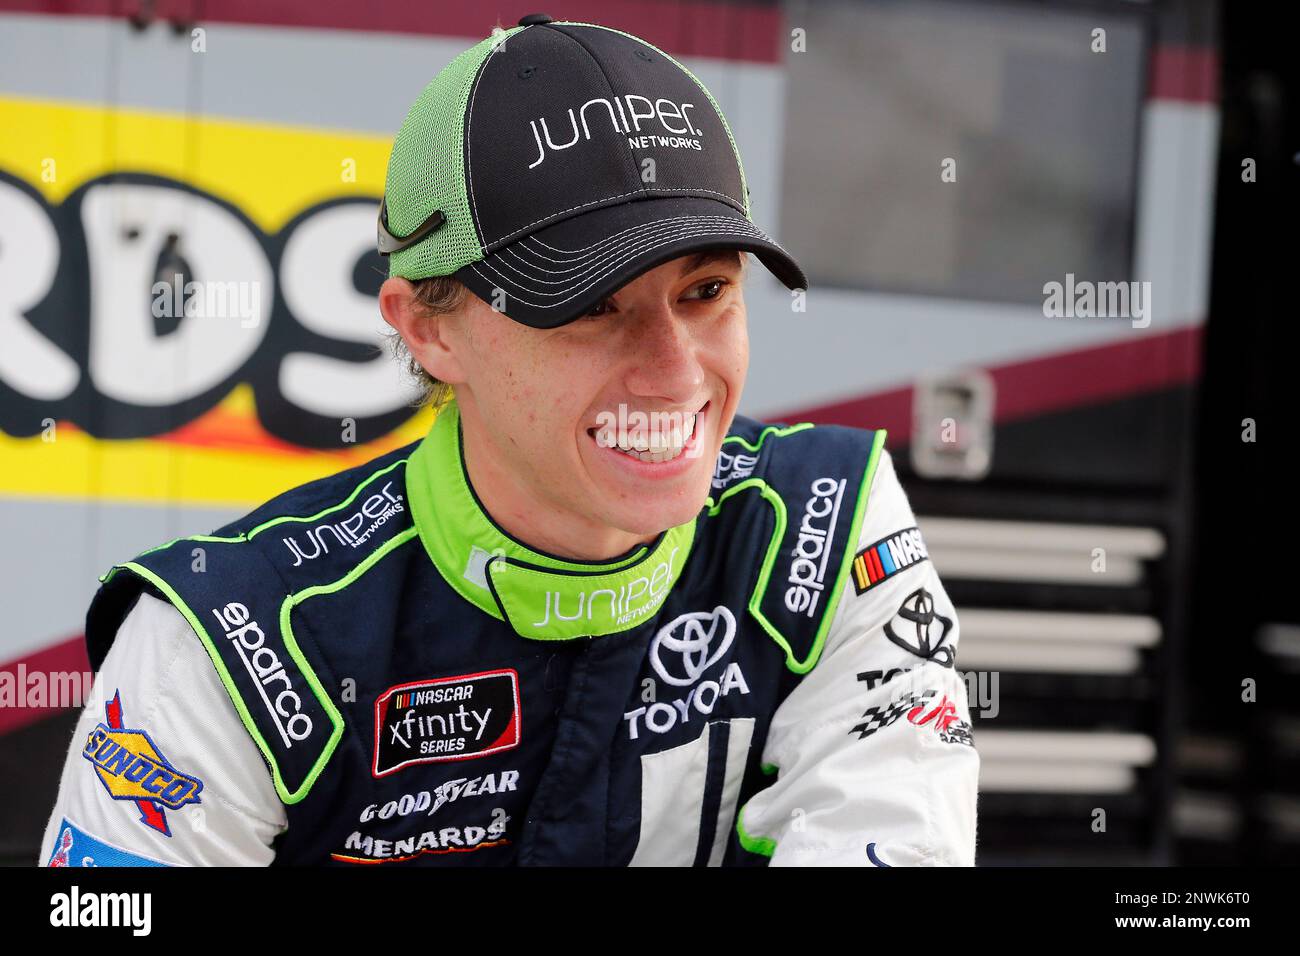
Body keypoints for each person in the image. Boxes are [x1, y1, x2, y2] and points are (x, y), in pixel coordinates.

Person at [39, 15, 978, 867]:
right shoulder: (234, 639)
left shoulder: (824, 527)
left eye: (705, 293)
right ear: (429, 328)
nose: (678, 370)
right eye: (590, 306)